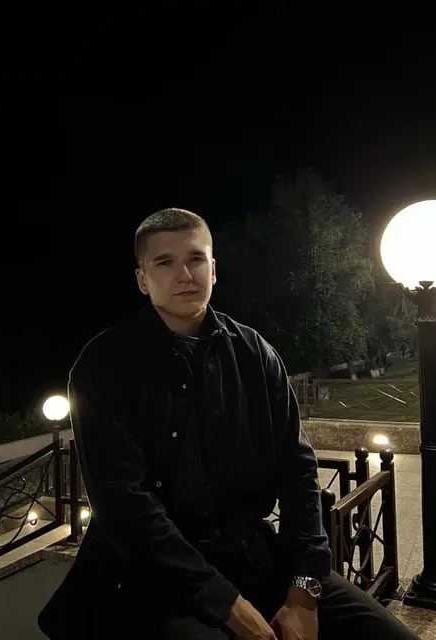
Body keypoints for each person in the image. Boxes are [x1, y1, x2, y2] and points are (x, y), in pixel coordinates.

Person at [38, 208, 417, 639]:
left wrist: (304, 592)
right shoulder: (103, 365)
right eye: (165, 262)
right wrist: (228, 605)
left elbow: (298, 472)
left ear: (213, 270)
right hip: (150, 577)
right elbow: (126, 509)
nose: (185, 274)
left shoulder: (254, 353)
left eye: (195, 259)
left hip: (254, 557)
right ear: (143, 279)